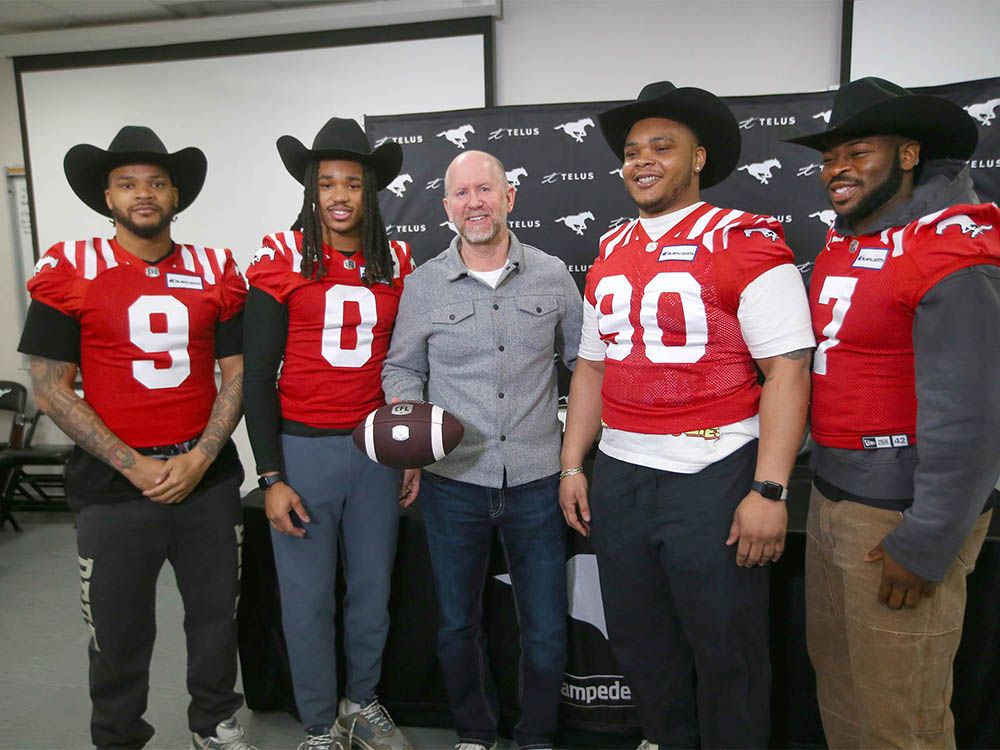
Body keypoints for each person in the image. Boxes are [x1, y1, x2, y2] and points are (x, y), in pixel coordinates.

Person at [559, 82, 816, 749]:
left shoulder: (743, 239)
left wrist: (768, 488)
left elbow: (787, 368)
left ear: (699, 158)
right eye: (631, 150)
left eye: (661, 147)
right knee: (644, 649)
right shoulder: (611, 248)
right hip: (620, 471)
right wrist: (570, 463)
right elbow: (591, 367)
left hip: (712, 468)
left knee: (729, 655)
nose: (641, 160)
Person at [17, 126, 253, 750]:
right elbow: (49, 387)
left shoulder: (215, 268)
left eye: (155, 183)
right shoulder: (70, 266)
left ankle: (214, 724)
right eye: (127, 184)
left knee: (215, 620)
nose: (142, 194)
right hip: (111, 486)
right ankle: (119, 737)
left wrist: (201, 457)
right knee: (118, 631)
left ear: (177, 194)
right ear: (107, 196)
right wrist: (134, 465)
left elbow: (239, 374)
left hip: (208, 480)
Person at [785, 76, 1000, 749]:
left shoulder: (954, 250)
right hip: (832, 498)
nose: (836, 170)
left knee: (899, 716)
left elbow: (973, 414)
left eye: (856, 153)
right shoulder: (850, 241)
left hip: (898, 515)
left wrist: (928, 537)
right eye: (829, 158)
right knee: (844, 689)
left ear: (908, 154)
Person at [382, 149, 582, 750]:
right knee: (456, 623)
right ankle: (474, 731)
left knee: (545, 630)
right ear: (446, 208)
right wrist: (411, 440)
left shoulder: (552, 275)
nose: (475, 203)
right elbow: (400, 370)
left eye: (486, 191)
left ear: (509, 197)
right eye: (462, 194)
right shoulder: (422, 285)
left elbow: (587, 366)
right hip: (452, 485)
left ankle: (537, 737)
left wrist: (575, 458)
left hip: (537, 483)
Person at [242, 117, 414, 750]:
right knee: (307, 600)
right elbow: (257, 375)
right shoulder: (279, 255)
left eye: (353, 184)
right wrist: (270, 476)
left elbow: (408, 362)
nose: (340, 196)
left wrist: (409, 445)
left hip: (376, 449)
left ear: (371, 194)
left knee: (372, 592)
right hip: (304, 447)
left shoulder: (396, 259)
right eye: (327, 184)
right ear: (311, 193)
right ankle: (319, 724)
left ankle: (361, 701)